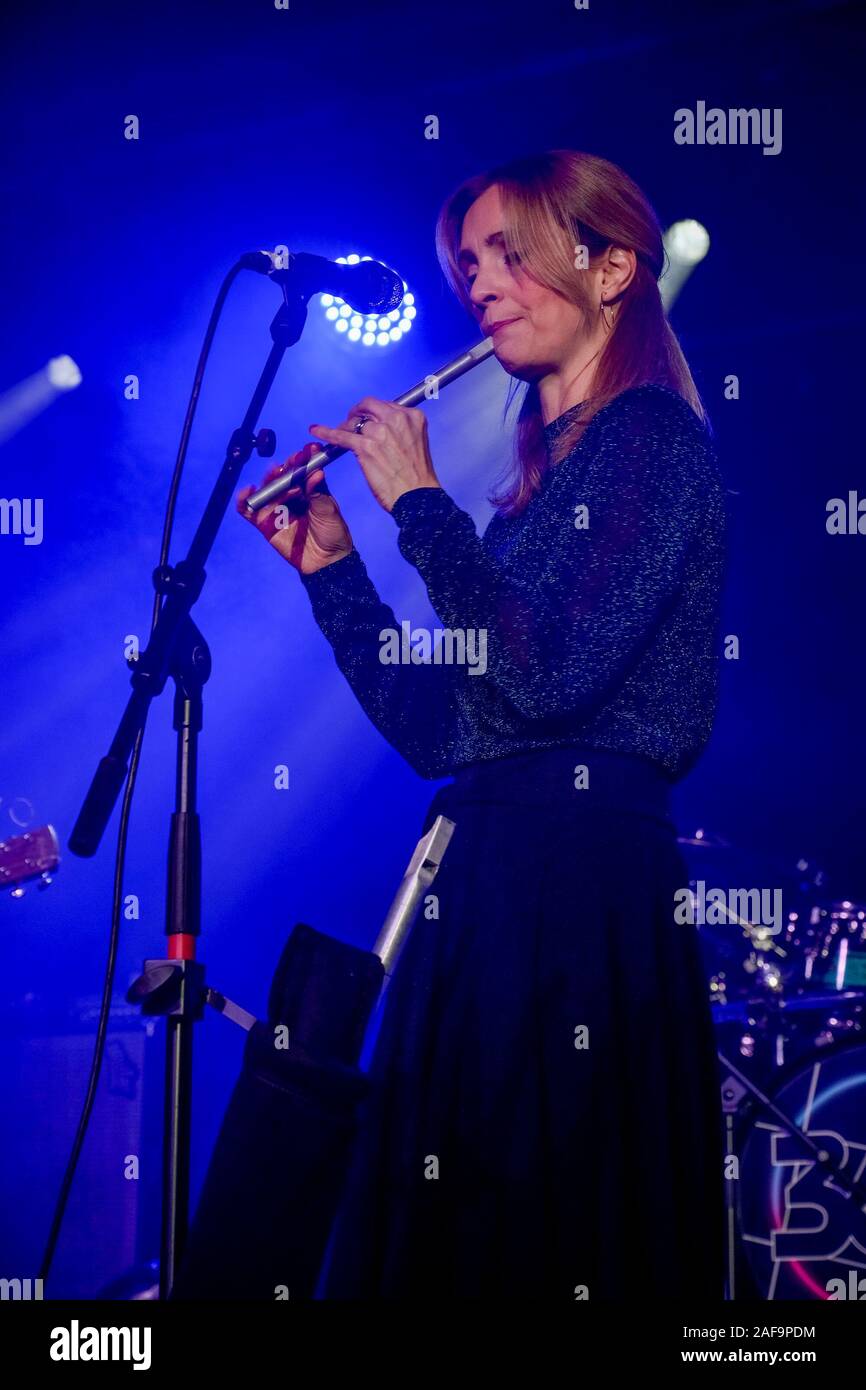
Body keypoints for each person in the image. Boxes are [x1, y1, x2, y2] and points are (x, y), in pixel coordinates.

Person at [238, 149, 726, 1299]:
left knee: (544, 1224)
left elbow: (547, 672)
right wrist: (335, 573)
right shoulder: (536, 491)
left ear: (611, 269)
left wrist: (414, 502)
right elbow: (446, 735)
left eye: (511, 251)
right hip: (489, 877)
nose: (479, 283)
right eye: (468, 262)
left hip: (575, 894)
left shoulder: (651, 444)